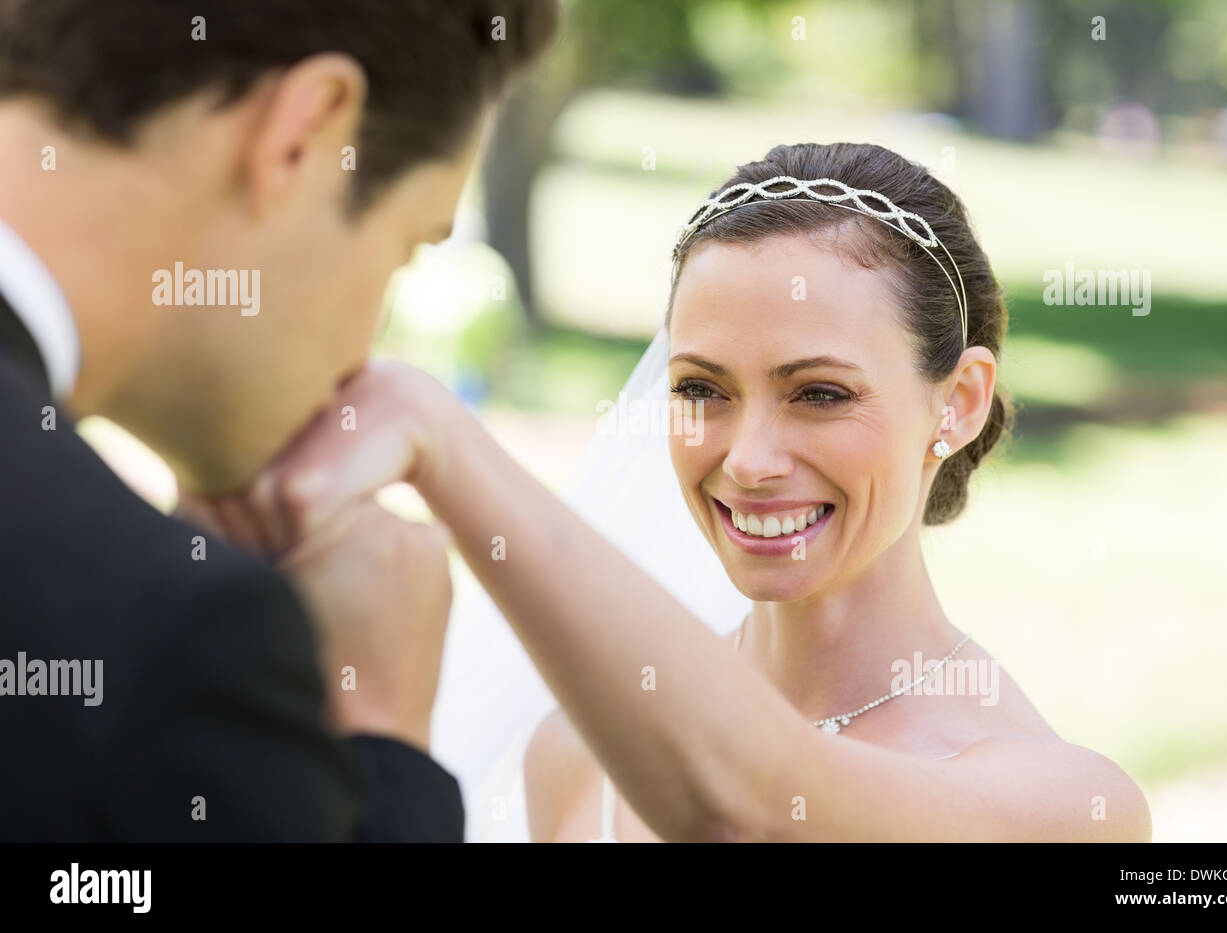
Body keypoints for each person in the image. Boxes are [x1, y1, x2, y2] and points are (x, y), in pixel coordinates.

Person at [229, 143, 1153, 842]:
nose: (748, 458)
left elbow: (741, 804)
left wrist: (443, 446)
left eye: (819, 393)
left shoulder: (1068, 806)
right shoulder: (575, 753)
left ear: (958, 401)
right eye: (701, 389)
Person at [0, 0, 557, 841]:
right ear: (305, 134)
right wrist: (383, 737)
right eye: (405, 245)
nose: (359, 358)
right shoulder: (172, 632)